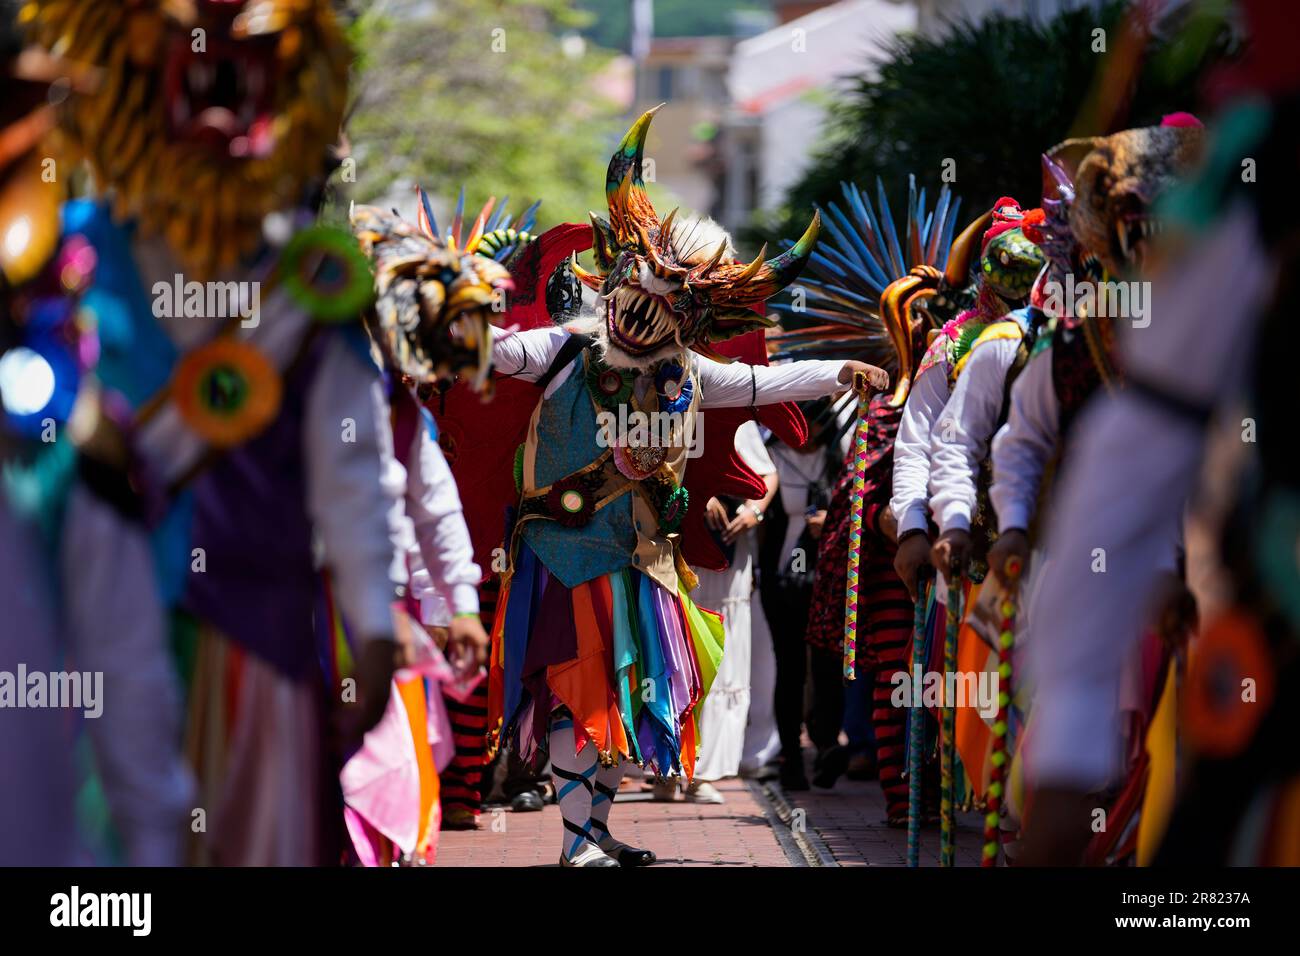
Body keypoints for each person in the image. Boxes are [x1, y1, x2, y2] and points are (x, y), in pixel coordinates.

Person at [420, 107, 888, 866]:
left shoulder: (688, 375)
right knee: (580, 697)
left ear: (692, 318)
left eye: (671, 299)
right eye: (641, 282)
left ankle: (593, 828)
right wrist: (442, 325)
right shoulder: (565, 348)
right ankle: (577, 844)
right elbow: (496, 355)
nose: (645, 304)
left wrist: (841, 371)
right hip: (563, 556)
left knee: (630, 703)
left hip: (640, 563)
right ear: (621, 276)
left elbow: (762, 379)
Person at [674, 421, 777, 802]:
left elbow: (767, 473)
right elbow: (646, 466)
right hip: (678, 548)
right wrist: (695, 495)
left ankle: (703, 770)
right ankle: (668, 767)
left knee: (723, 658)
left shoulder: (738, 407)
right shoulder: (666, 403)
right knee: (675, 655)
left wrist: (754, 511)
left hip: (730, 556)